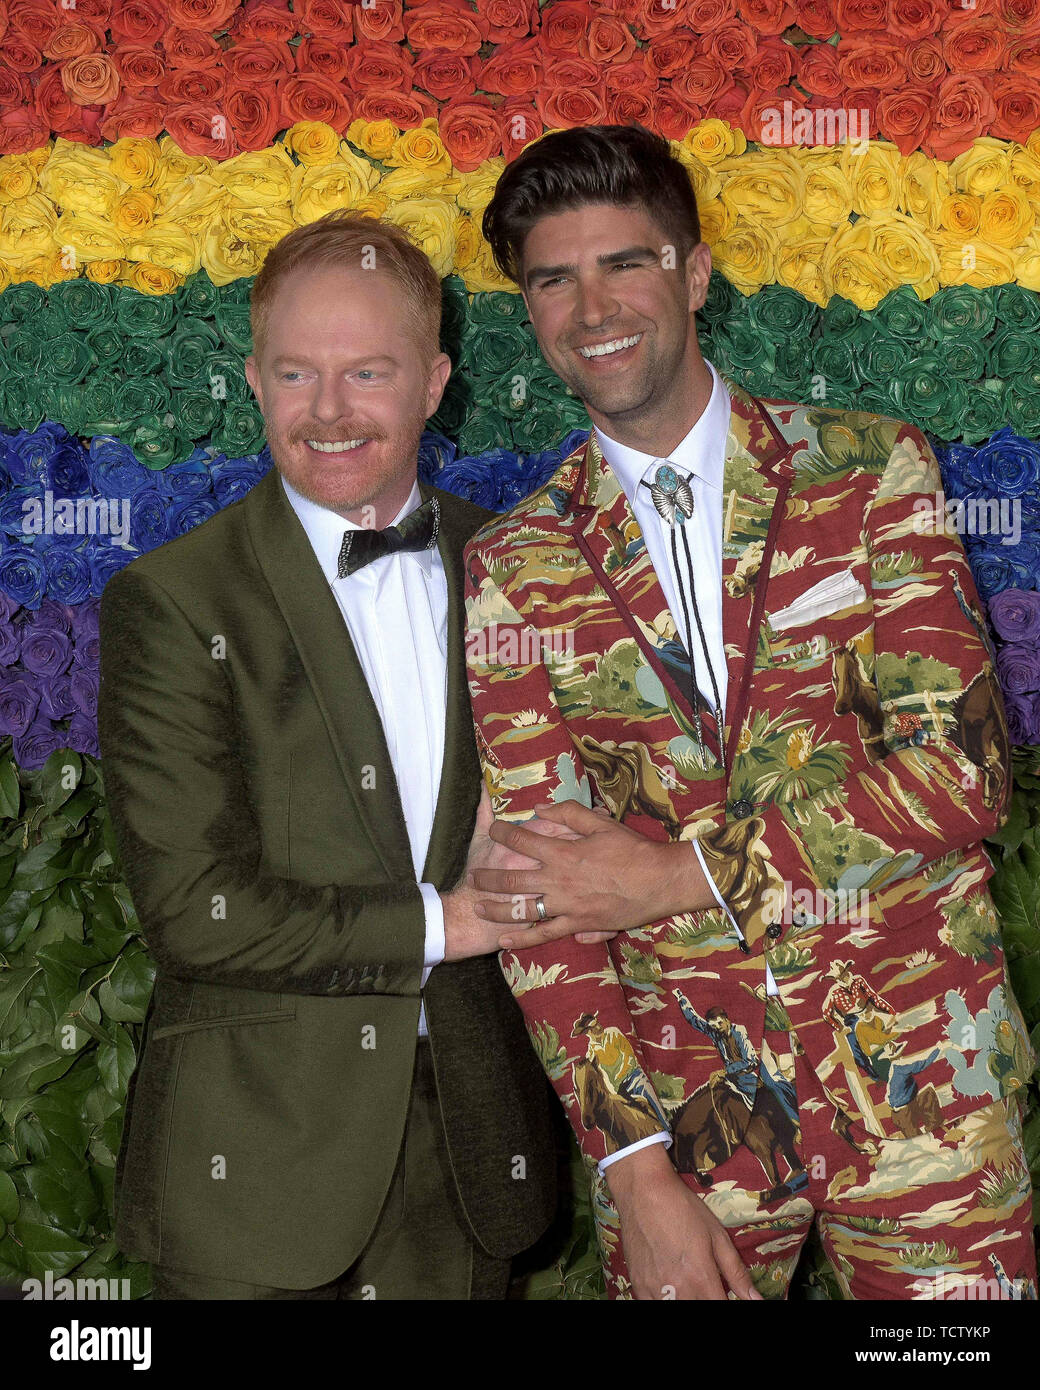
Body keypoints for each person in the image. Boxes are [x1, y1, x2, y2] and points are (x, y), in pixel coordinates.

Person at [463, 124, 1037, 1301]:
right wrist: (630, 1171)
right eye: (551, 280)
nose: (591, 307)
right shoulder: (512, 564)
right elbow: (537, 892)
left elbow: (958, 772)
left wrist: (684, 873)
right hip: (692, 1126)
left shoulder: (867, 471)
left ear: (692, 271)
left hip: (927, 1087)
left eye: (624, 262)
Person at [97, 210, 564, 1299]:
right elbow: (193, 908)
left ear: (435, 379)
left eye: (367, 372)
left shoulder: (520, 567)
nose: (328, 412)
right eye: (297, 373)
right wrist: (450, 920)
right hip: (254, 1181)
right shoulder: (173, 600)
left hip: (466, 1171)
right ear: (253, 379)